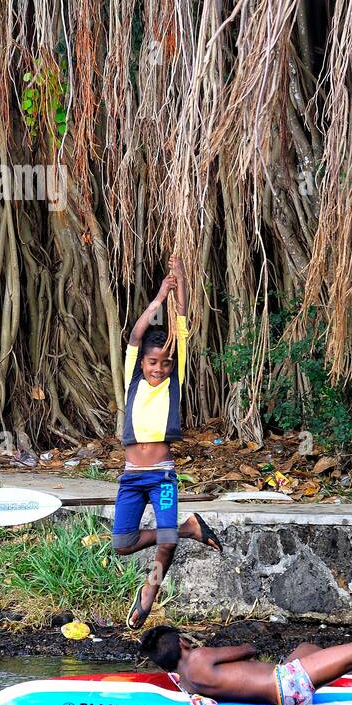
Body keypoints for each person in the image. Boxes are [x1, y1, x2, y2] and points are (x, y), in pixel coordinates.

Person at [114, 256, 224, 628]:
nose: (159, 368)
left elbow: (182, 325)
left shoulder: (173, 380)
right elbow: (135, 336)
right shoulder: (133, 379)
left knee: (165, 539)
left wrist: (182, 284)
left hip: (162, 477)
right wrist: (160, 296)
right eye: (152, 362)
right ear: (141, 364)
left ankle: (150, 591)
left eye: (164, 362)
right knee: (123, 543)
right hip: (131, 478)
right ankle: (191, 526)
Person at [138, 626, 352, 705]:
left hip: (281, 696)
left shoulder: (186, 682)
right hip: (287, 682)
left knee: (305, 649)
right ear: (182, 642)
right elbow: (248, 650)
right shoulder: (198, 656)